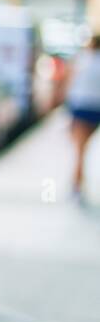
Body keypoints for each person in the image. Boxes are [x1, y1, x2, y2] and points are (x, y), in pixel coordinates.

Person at [65, 33, 100, 205]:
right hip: (95, 107)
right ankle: (79, 185)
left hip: (81, 107)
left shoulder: (83, 60)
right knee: (83, 148)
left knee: (80, 150)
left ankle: (77, 187)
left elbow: (70, 82)